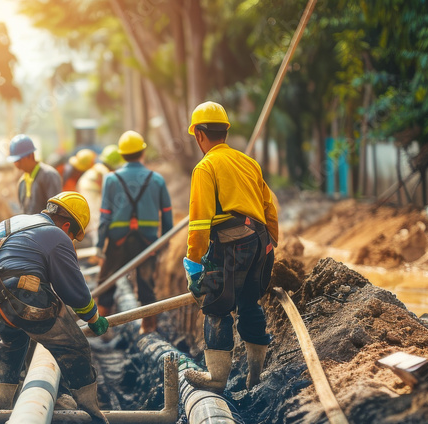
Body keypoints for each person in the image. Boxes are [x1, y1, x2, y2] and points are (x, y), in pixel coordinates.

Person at [0, 191, 111, 424]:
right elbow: (75, 292)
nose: (71, 242)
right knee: (74, 346)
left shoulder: (10, 222)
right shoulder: (57, 236)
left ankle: (3, 408)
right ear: (67, 225)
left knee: (13, 338)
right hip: (16, 295)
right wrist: (93, 318)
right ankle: (93, 418)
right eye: (74, 236)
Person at [182, 101, 279, 392]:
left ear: (199, 134)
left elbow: (199, 224)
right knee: (250, 303)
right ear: (225, 130)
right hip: (261, 240)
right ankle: (254, 378)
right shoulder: (248, 162)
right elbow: (269, 208)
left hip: (231, 242)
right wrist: (271, 244)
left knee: (217, 306)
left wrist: (194, 263)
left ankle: (217, 379)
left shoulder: (206, 166)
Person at [95, 131, 173, 334]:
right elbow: (167, 216)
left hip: (118, 240)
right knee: (146, 284)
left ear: (122, 155)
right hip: (147, 242)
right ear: (143, 152)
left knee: (107, 282)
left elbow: (105, 218)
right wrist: (163, 243)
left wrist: (99, 245)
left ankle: (101, 330)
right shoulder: (156, 180)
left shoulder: (111, 180)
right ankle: (148, 327)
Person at [76, 144, 123, 248]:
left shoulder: (99, 168)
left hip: (88, 191)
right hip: (89, 192)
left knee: (95, 220)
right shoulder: (103, 171)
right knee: (96, 220)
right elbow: (108, 189)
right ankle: (97, 250)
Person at [7, 134, 62, 214]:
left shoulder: (49, 176)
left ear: (31, 155)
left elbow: (56, 212)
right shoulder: (22, 182)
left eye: (19, 160)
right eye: (14, 161)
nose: (16, 165)